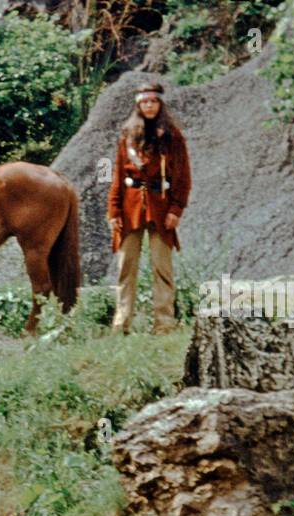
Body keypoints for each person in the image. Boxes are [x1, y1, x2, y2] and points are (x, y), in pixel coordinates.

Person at [107, 81, 192, 334]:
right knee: (125, 268)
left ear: (160, 103)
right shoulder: (127, 135)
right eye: (144, 102)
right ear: (138, 105)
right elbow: (116, 176)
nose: (149, 106)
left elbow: (183, 177)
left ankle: (164, 323)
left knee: (162, 268)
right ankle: (122, 323)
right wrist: (113, 211)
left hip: (161, 208)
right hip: (130, 208)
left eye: (153, 101)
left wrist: (176, 210)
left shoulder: (173, 136)